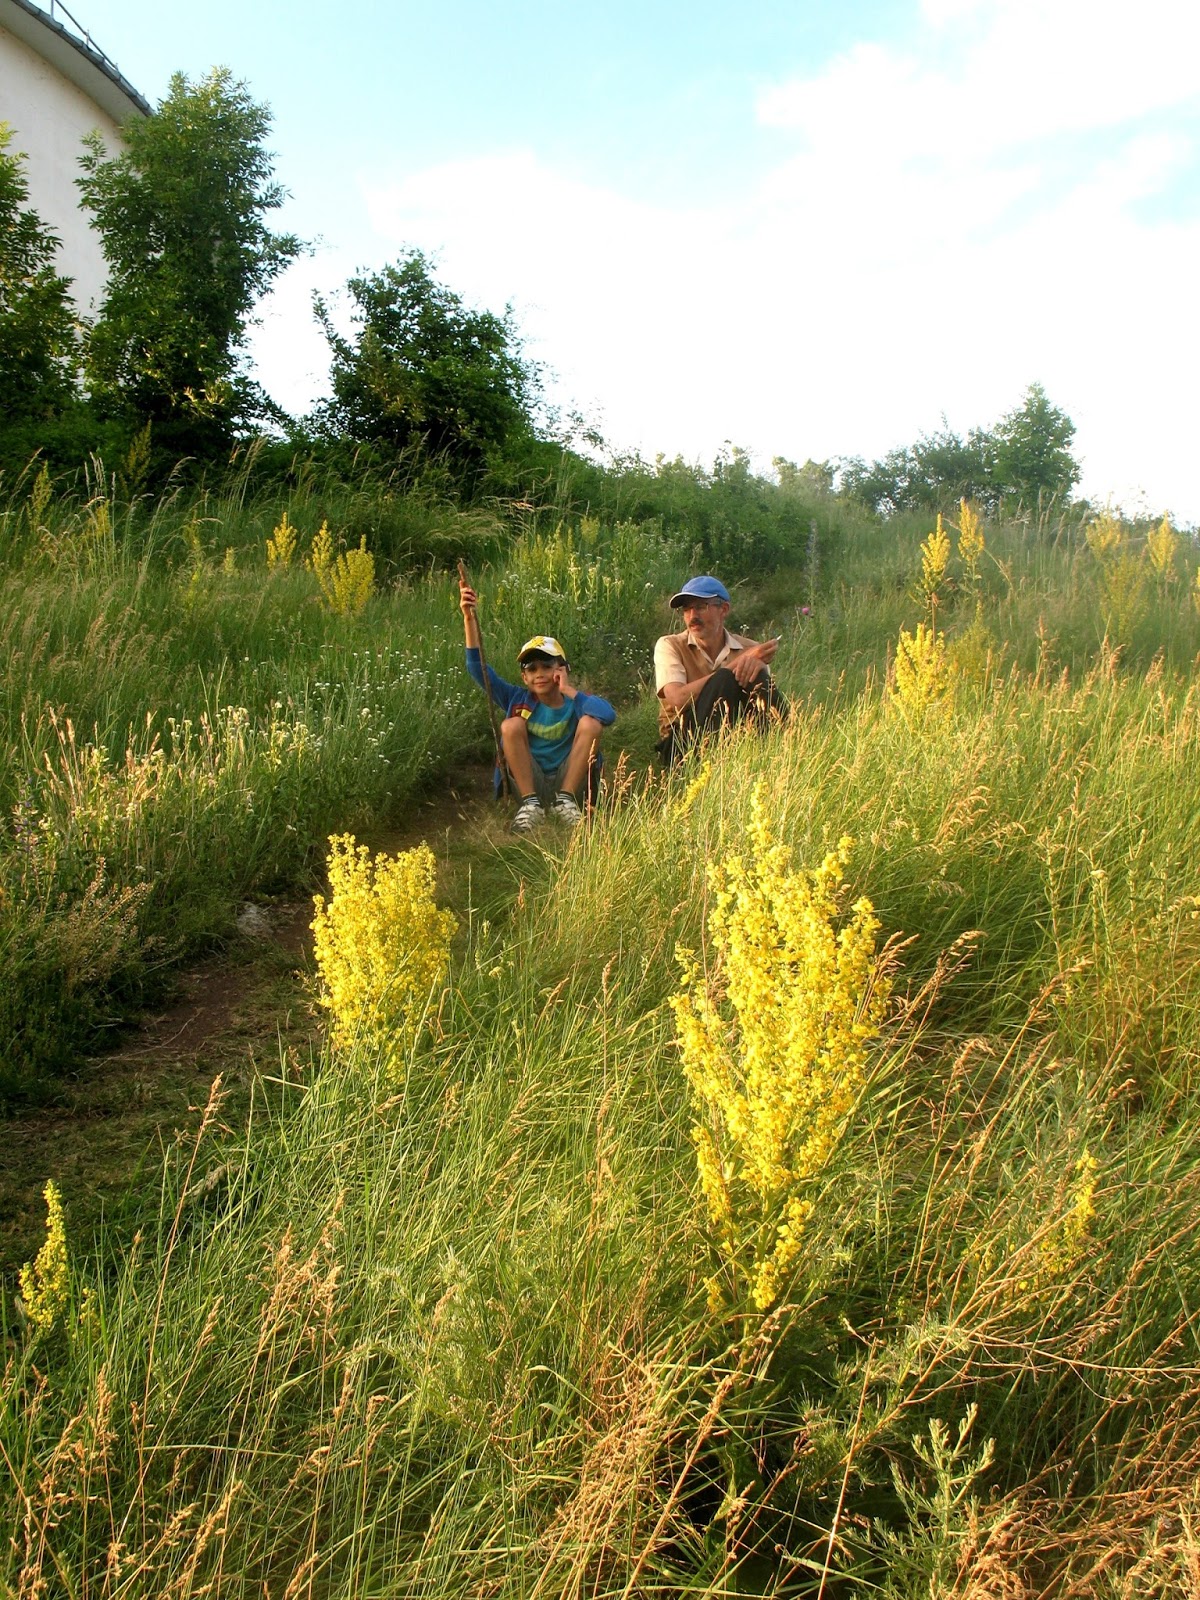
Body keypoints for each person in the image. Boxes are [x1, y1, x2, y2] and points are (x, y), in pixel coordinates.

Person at [460, 577, 616, 832]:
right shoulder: (516, 698)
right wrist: (468, 618)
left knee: (591, 723)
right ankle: (531, 805)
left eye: (547, 666)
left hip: (570, 781)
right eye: (531, 669)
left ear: (563, 669)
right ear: (524, 677)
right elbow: (476, 667)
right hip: (530, 781)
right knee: (511, 726)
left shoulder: (578, 701)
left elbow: (608, 716)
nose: (539, 674)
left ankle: (565, 801)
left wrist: (568, 690)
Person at [653, 574, 785, 764]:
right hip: (683, 741)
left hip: (736, 733)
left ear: (724, 609)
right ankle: (709, 765)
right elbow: (677, 699)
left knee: (756, 676)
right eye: (687, 609)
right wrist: (737, 665)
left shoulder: (749, 649)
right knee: (725, 678)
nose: (692, 616)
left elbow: (760, 700)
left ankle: (783, 748)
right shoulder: (670, 645)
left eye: (700, 607)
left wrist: (757, 663)